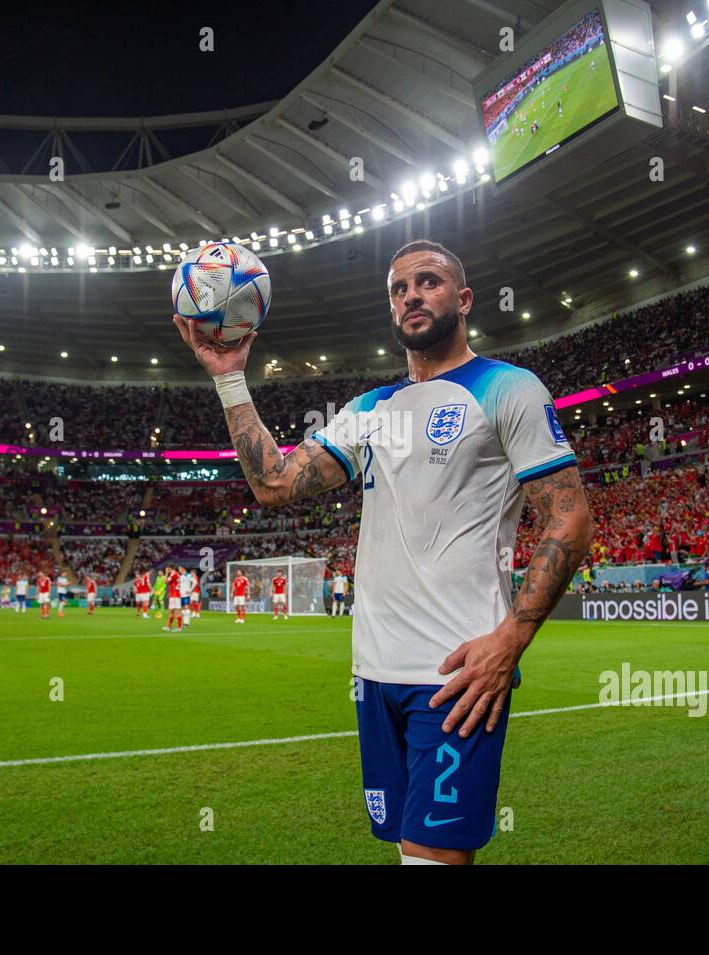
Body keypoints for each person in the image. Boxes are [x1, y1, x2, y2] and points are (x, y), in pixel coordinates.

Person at [172, 238, 592, 865]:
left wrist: (512, 638)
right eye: (399, 288)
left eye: (428, 282)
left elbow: (571, 517)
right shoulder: (371, 409)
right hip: (373, 674)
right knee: (408, 853)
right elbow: (275, 484)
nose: (411, 296)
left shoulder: (507, 388)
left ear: (464, 298)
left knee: (431, 859)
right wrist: (229, 376)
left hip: (455, 676)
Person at [163, 565, 182, 632]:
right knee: (171, 611)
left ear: (170, 568)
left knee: (176, 611)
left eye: (167, 568)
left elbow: (165, 581)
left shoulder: (174, 574)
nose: (167, 569)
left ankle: (179, 628)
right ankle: (169, 627)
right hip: (173, 595)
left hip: (175, 596)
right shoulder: (175, 574)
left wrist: (166, 573)